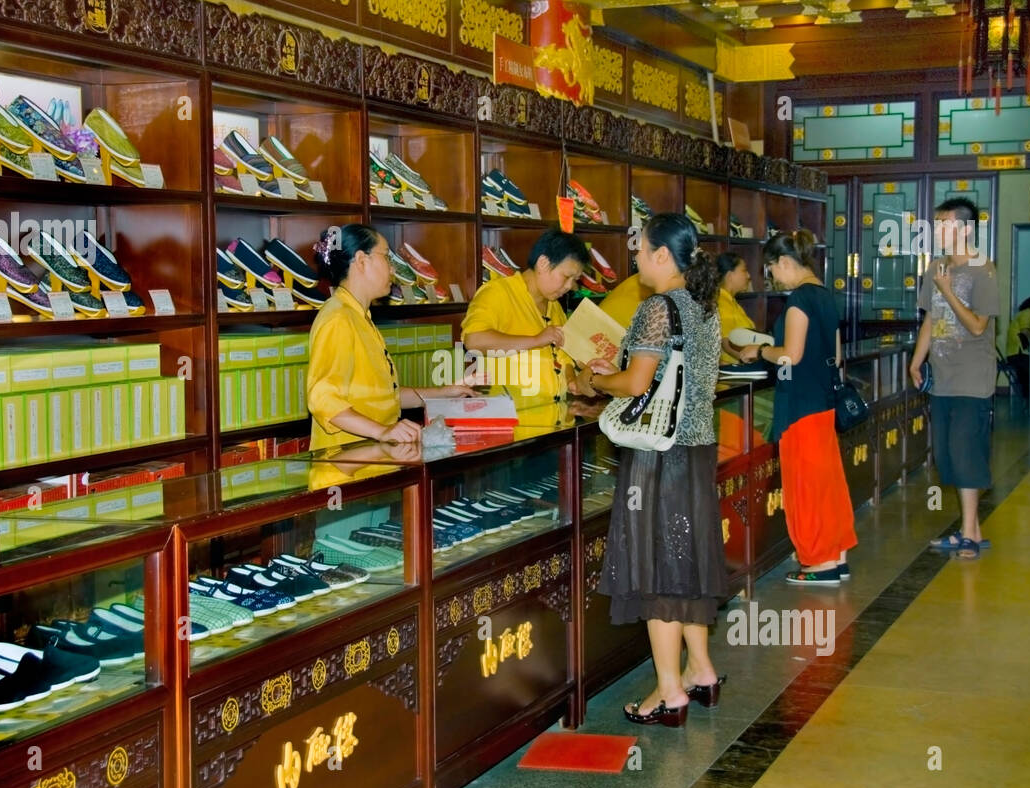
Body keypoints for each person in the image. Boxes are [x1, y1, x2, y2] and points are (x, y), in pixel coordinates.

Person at [571, 213, 727, 727]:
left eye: (639, 251)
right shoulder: (705, 307)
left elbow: (637, 383)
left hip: (660, 456)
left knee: (660, 570)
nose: (634, 260)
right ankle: (701, 671)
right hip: (698, 448)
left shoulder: (658, 307)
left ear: (662, 255)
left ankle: (667, 691)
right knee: (687, 565)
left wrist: (595, 382)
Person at [738, 232, 856, 585]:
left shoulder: (799, 300)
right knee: (828, 483)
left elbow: (791, 354)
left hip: (799, 404)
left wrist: (759, 351)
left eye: (772, 270)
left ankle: (818, 565)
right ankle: (837, 556)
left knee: (805, 486)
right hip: (823, 403)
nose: (772, 279)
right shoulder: (824, 296)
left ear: (785, 262)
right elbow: (835, 356)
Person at [307, 224, 474, 449]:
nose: (393, 270)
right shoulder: (338, 319)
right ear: (362, 260)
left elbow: (384, 396)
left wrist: (444, 393)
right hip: (343, 471)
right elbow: (323, 399)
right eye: (387, 258)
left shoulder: (360, 317)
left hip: (370, 464)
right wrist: (383, 431)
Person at [908, 197, 999, 560]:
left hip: (973, 380)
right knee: (946, 455)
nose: (938, 231)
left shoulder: (983, 270)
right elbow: (931, 319)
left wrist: (948, 291)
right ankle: (971, 531)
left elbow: (978, 326)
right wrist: (917, 362)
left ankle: (969, 534)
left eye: (944, 224)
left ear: (964, 229)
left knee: (965, 453)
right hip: (942, 377)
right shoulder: (936, 267)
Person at [462, 228, 590, 404]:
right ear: (543, 263)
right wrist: (536, 340)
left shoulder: (554, 305)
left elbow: (563, 356)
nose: (569, 286)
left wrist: (571, 380)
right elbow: (474, 341)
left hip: (554, 418)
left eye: (574, 280)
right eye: (566, 276)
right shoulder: (497, 293)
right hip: (512, 420)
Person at [716, 251, 756, 364]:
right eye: (744, 270)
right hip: (731, 377)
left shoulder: (730, 301)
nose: (748, 276)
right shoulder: (722, 302)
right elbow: (727, 344)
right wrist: (752, 359)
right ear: (730, 276)